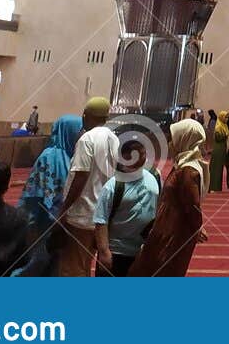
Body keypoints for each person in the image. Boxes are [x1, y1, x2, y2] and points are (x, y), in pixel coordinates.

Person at [130, 118, 208, 277]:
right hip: (168, 230)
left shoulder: (188, 171)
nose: (170, 143)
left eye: (173, 139)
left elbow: (192, 206)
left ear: (185, 139)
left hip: (171, 235)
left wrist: (196, 226)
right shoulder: (184, 165)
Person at [56, 98, 119, 276]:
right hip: (102, 216)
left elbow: (80, 176)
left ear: (87, 115)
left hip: (81, 215)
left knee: (73, 269)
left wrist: (63, 210)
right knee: (87, 265)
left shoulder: (87, 139)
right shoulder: (113, 139)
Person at [92, 136, 160, 276]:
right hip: (116, 253)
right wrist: (104, 252)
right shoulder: (112, 186)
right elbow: (100, 221)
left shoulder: (155, 177)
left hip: (143, 253)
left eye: (142, 155)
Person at [19, 113, 80, 236]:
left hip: (69, 223)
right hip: (47, 224)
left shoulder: (76, 156)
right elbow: (35, 196)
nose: (82, 135)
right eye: (79, 131)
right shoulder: (49, 157)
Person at [208, 111, 227, 193]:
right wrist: (227, 134)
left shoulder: (224, 126)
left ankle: (217, 187)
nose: (227, 119)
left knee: (219, 170)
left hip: (222, 149)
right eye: (225, 117)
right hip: (218, 149)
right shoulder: (218, 126)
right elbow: (218, 138)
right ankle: (212, 187)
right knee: (215, 169)